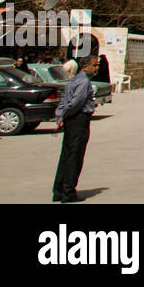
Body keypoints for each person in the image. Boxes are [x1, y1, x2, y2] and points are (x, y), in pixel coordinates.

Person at [52, 53, 100, 203]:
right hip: (78, 120)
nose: (96, 68)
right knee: (75, 156)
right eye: (94, 65)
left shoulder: (74, 79)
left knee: (66, 155)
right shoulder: (84, 82)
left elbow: (64, 100)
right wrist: (66, 115)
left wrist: (60, 116)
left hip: (71, 120)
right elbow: (75, 103)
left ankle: (59, 190)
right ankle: (68, 192)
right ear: (85, 67)